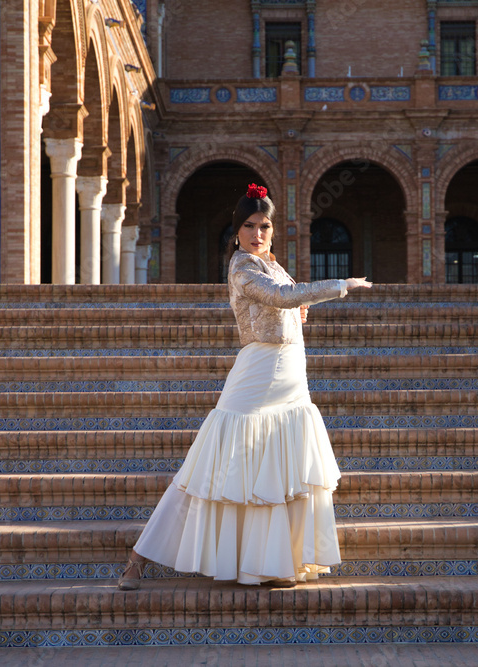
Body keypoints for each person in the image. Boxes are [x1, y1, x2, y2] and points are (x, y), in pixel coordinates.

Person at [118, 183, 372, 590]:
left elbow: (287, 303)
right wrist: (341, 285)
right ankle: (137, 558)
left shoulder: (272, 263)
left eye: (265, 226)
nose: (258, 234)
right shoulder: (243, 266)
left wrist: (300, 313)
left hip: (291, 378)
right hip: (257, 374)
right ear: (236, 230)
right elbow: (281, 297)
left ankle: (272, 563)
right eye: (250, 226)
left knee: (276, 474)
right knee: (209, 469)